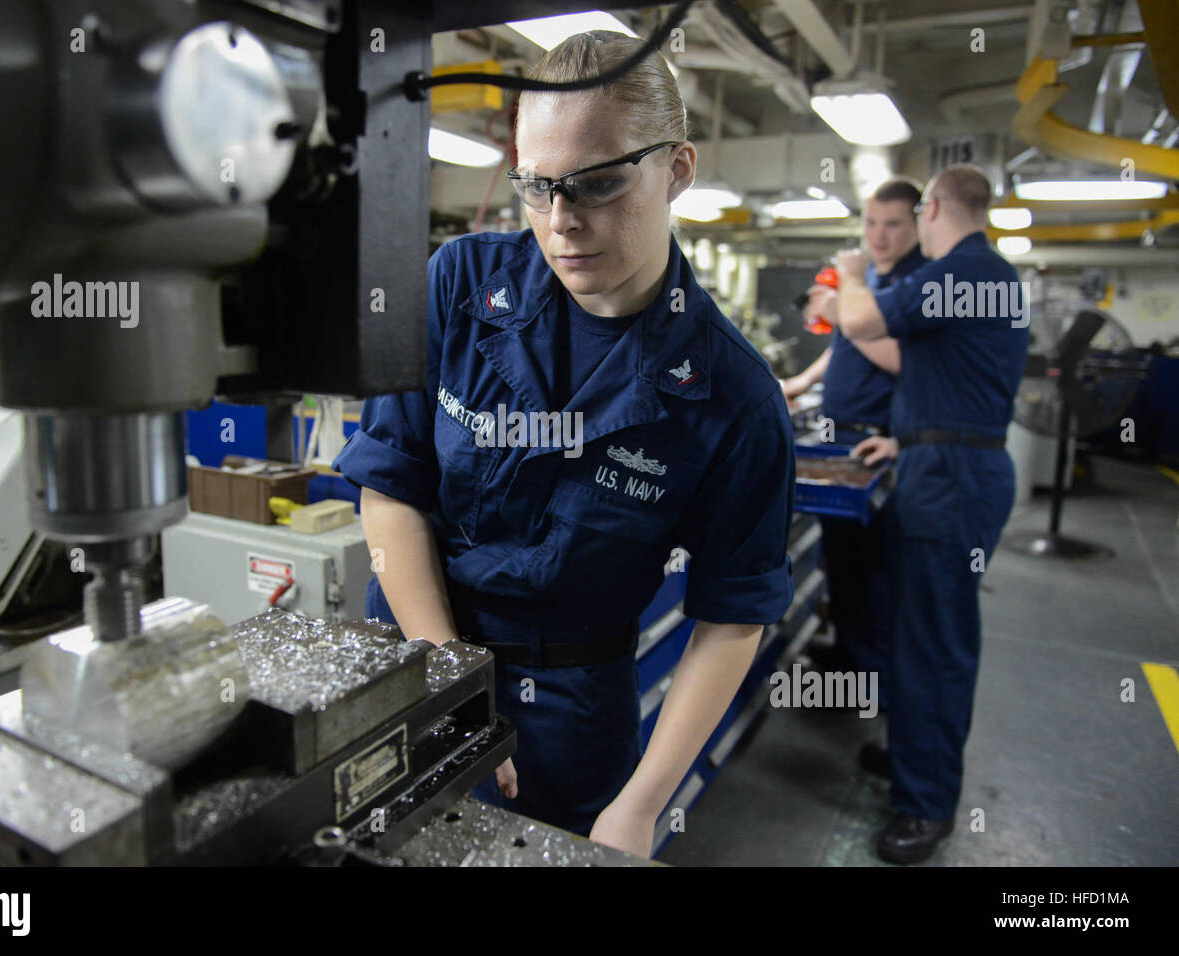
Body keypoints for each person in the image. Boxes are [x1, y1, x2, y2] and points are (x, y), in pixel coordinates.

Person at [333, 31, 794, 857]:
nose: (560, 222)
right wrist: (449, 682)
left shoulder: (734, 396)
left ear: (677, 170)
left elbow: (732, 616)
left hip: (572, 711)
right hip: (419, 659)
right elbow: (392, 484)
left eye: (596, 185)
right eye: (535, 187)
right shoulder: (460, 287)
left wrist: (644, 801)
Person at [833, 164, 1030, 863]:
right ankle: (915, 758)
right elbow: (951, 376)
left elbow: (856, 318)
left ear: (934, 207)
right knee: (918, 631)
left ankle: (927, 805)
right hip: (943, 459)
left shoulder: (965, 270)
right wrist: (908, 435)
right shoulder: (986, 276)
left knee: (936, 644)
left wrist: (852, 270)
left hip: (955, 479)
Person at [782, 178, 926, 710]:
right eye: (871, 223)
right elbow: (845, 344)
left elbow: (899, 360)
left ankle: (875, 685)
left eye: (893, 224)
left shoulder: (911, 285)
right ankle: (848, 658)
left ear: (918, 225)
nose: (879, 235)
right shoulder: (868, 283)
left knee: (875, 572)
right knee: (840, 563)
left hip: (875, 444)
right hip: (838, 436)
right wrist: (798, 383)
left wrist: (846, 297)